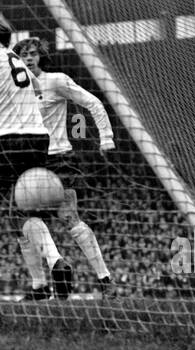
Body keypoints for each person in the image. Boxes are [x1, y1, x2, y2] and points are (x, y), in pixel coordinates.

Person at [0, 8, 73, 302]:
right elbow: (33, 87)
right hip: (35, 140)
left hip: (2, 141)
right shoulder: (15, 57)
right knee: (21, 212)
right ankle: (53, 266)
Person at [14, 36, 118, 296]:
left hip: (59, 157)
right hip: (29, 161)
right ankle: (49, 275)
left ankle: (105, 280)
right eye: (23, 54)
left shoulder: (56, 81)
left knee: (69, 218)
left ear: (41, 57)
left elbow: (93, 102)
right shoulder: (13, 90)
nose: (28, 58)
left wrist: (106, 137)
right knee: (25, 221)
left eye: (33, 53)